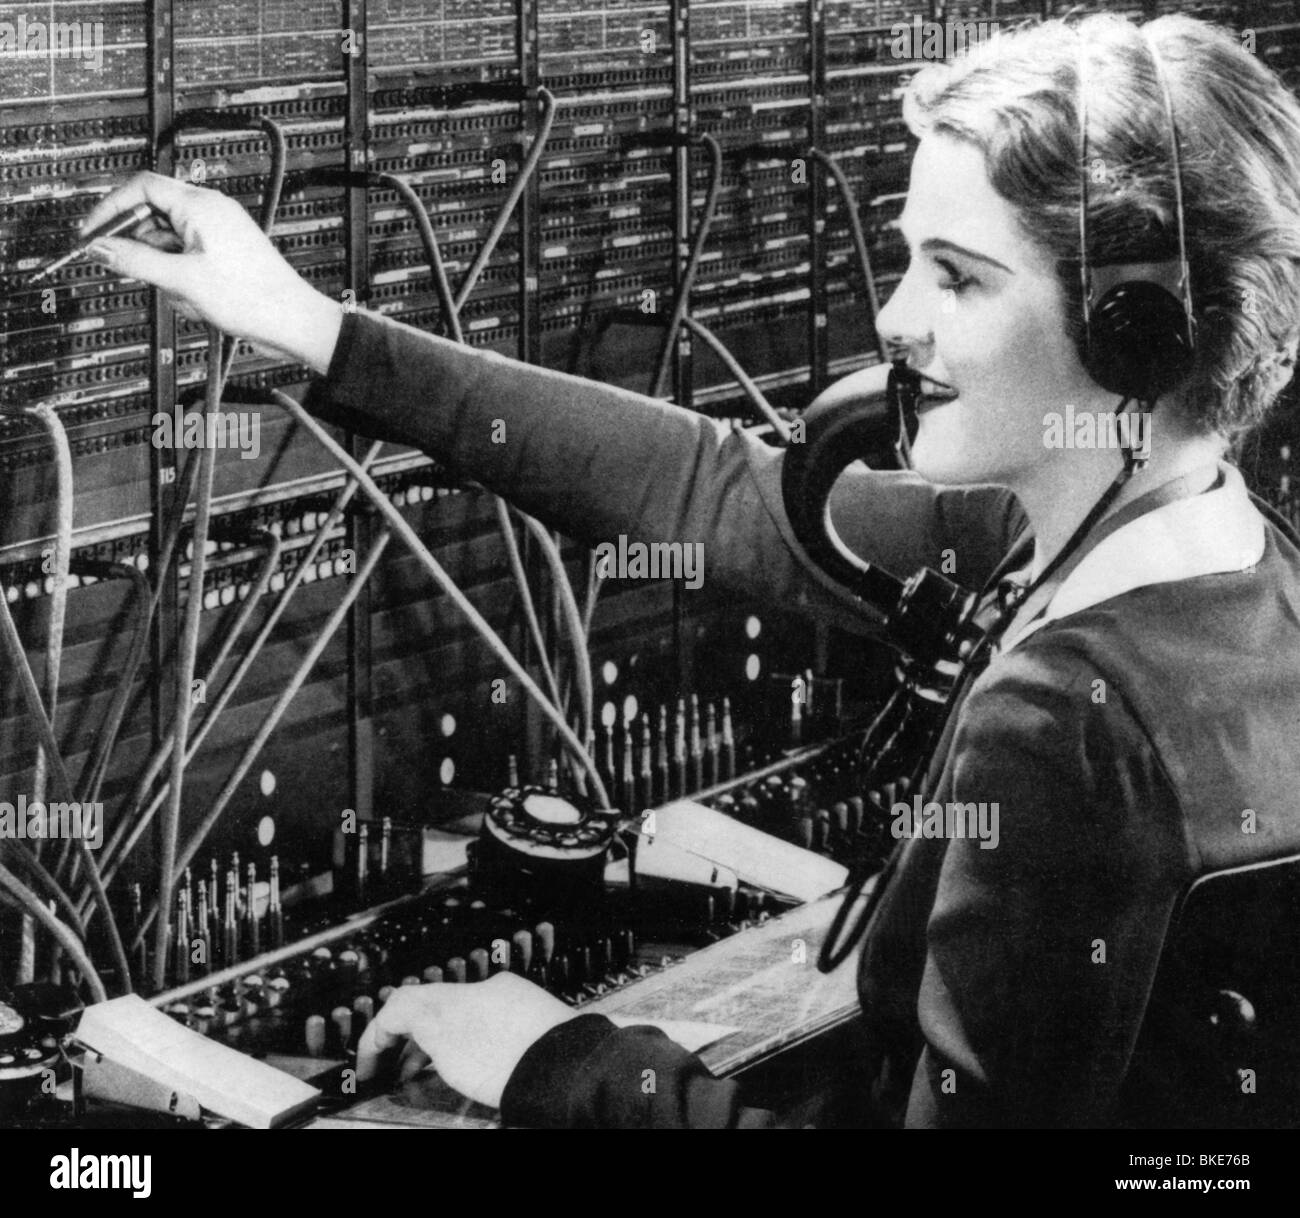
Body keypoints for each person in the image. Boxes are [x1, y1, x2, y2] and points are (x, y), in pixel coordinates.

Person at [82, 12, 1300, 1127]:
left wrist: (557, 1060)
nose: (894, 317)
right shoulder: (1207, 564)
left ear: (1133, 331)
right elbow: (713, 487)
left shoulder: (1071, 726)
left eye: (957, 275)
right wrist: (311, 323)